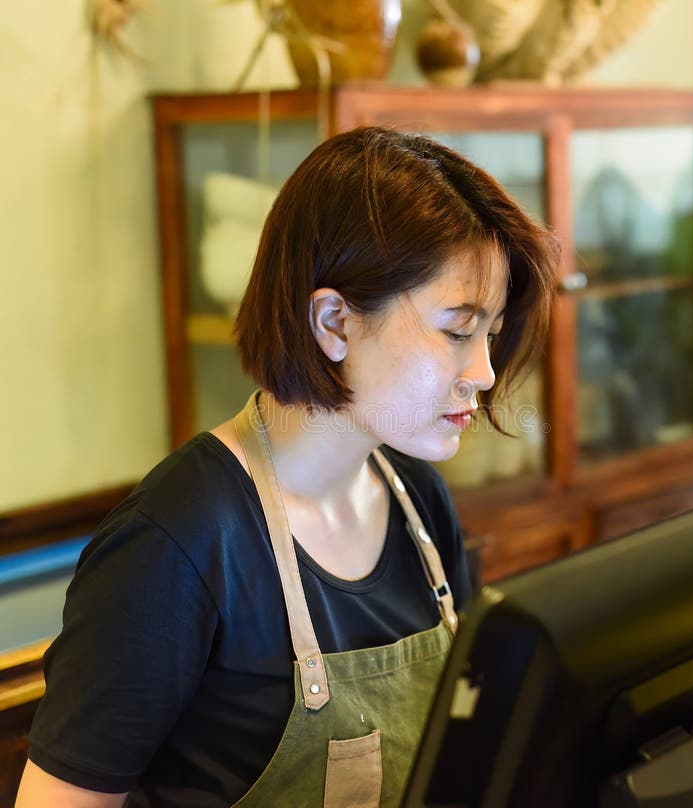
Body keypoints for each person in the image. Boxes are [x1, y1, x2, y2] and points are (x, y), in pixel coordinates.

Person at [14, 126, 559, 808]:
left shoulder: (420, 501)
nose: (482, 372)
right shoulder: (176, 545)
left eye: (493, 334)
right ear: (333, 322)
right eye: (457, 330)